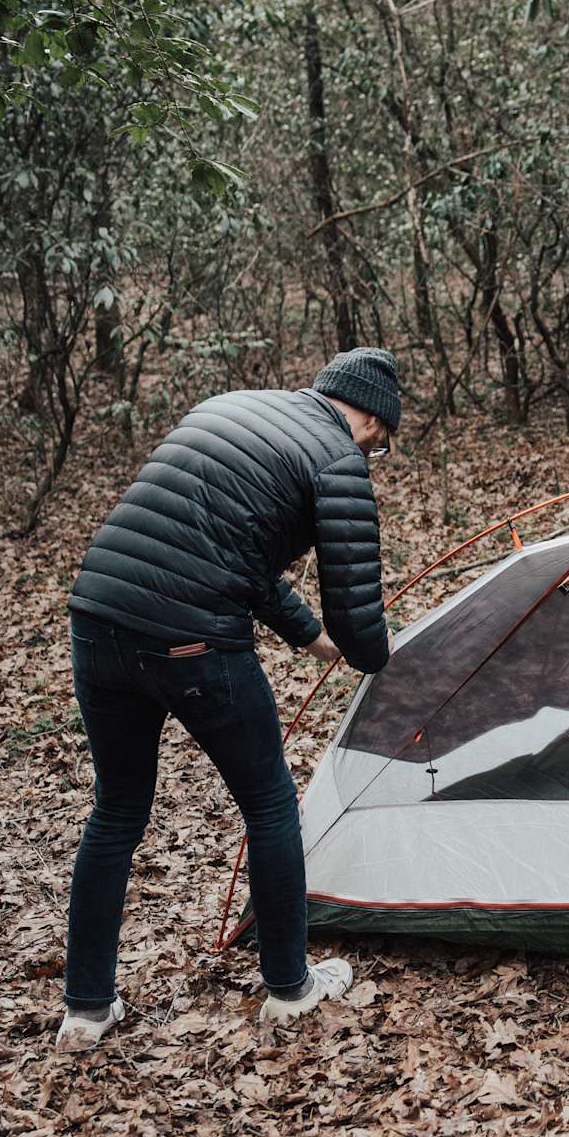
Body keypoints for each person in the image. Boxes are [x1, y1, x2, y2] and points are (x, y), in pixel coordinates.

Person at [55, 348, 401, 1051]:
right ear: (367, 415)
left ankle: (86, 1009)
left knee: (117, 810)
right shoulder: (339, 462)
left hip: (96, 622)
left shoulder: (231, 408)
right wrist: (378, 658)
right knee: (271, 802)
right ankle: (288, 988)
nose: (376, 452)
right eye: (382, 441)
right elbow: (359, 614)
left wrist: (311, 640)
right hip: (191, 643)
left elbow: (237, 558)